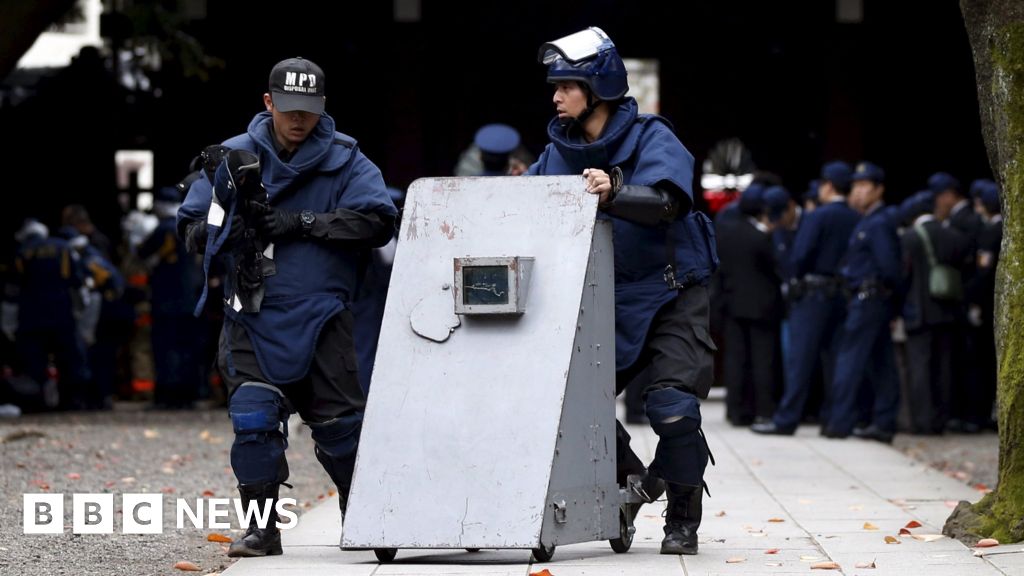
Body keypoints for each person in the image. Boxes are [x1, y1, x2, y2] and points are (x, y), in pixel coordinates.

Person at [177, 57, 397, 557]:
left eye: (310, 110)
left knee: (342, 430)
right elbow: (189, 226)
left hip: (323, 316)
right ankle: (262, 530)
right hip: (252, 312)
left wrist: (300, 222)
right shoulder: (232, 158)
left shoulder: (348, 160)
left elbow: (378, 222)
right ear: (268, 102)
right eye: (290, 108)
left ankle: (365, 516)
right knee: (252, 421)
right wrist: (222, 232)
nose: (300, 119)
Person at [528, 27, 718, 555]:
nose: (556, 96)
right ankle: (632, 482)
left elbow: (667, 202)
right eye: (555, 86)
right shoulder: (556, 151)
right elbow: (530, 212)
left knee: (672, 406)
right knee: (566, 404)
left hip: (673, 290)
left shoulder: (653, 137)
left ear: (597, 88)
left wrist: (615, 191)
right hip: (604, 300)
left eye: (566, 85)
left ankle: (682, 516)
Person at [753, 162, 860, 436]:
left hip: (813, 295)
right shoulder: (856, 216)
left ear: (828, 186)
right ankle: (835, 420)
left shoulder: (819, 216)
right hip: (842, 293)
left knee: (800, 361)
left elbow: (800, 255)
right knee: (836, 361)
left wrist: (792, 274)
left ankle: (787, 418)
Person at [822, 162, 902, 442]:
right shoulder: (866, 220)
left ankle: (839, 422)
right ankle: (883, 422)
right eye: (855, 186)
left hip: (870, 297)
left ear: (879, 190)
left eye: (864, 186)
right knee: (881, 363)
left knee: (850, 359)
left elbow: (890, 267)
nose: (857, 192)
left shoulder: (879, 222)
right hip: (868, 298)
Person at [137, 185, 205, 409]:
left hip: (165, 301)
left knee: (165, 349)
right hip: (190, 300)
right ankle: (189, 395)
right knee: (188, 348)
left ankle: (167, 395)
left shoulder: (163, 229)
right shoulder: (192, 227)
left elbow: (141, 253)